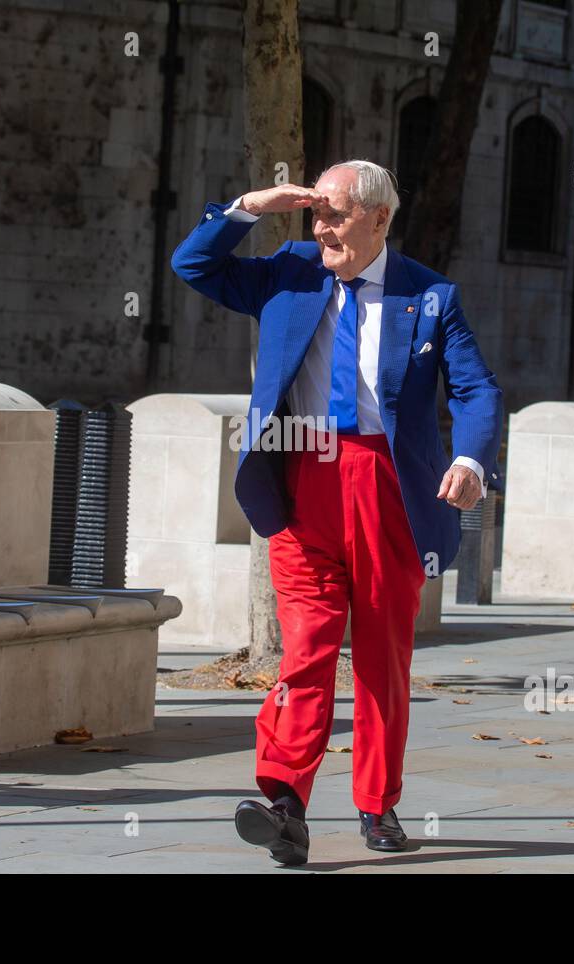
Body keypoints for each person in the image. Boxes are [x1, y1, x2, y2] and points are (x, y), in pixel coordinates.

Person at [170, 159, 503, 866]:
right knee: (307, 649)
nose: (320, 228)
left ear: (380, 219)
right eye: (315, 214)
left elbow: (477, 390)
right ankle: (284, 802)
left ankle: (377, 803)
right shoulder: (289, 270)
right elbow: (192, 265)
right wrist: (248, 208)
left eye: (336, 215)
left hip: (390, 488)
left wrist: (470, 461)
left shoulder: (432, 296)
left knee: (384, 656)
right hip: (300, 481)